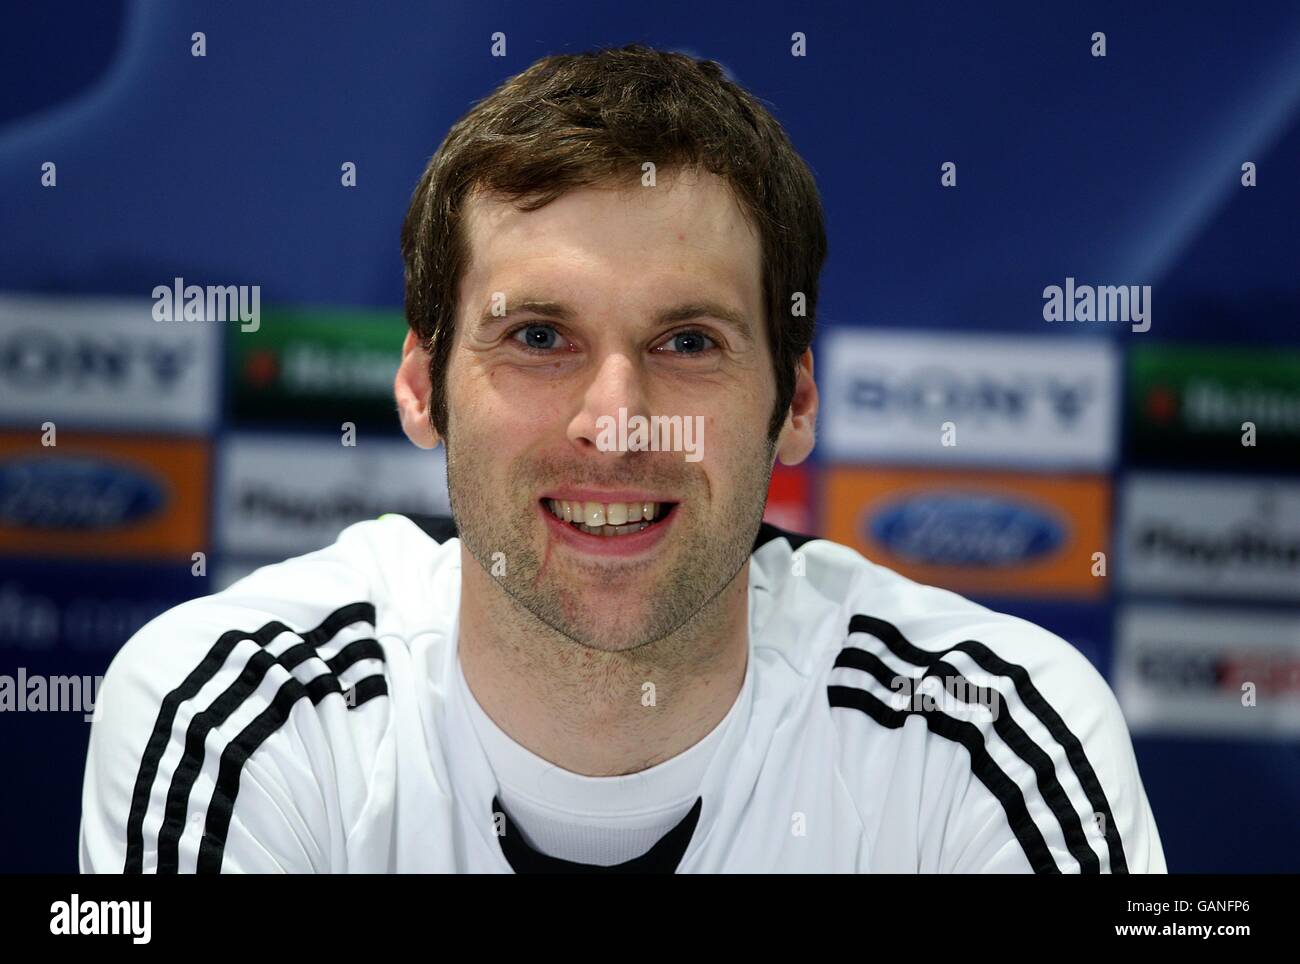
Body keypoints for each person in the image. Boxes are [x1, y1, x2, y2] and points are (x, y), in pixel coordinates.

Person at [80, 44, 1164, 873]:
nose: (616, 423)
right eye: (537, 337)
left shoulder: (990, 734)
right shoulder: (235, 717)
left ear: (794, 403)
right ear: (420, 387)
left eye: (687, 343)